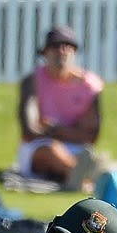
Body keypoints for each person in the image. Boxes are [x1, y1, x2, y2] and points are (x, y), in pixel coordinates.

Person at [16, 25, 106, 187]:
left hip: (76, 148)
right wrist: (68, 133)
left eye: (67, 47)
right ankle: (80, 177)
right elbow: (30, 131)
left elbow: (90, 135)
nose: (61, 52)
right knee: (52, 150)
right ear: (45, 52)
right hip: (39, 147)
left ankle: (79, 175)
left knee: (86, 154)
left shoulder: (90, 85)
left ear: (75, 52)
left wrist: (54, 129)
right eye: (55, 47)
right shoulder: (33, 82)